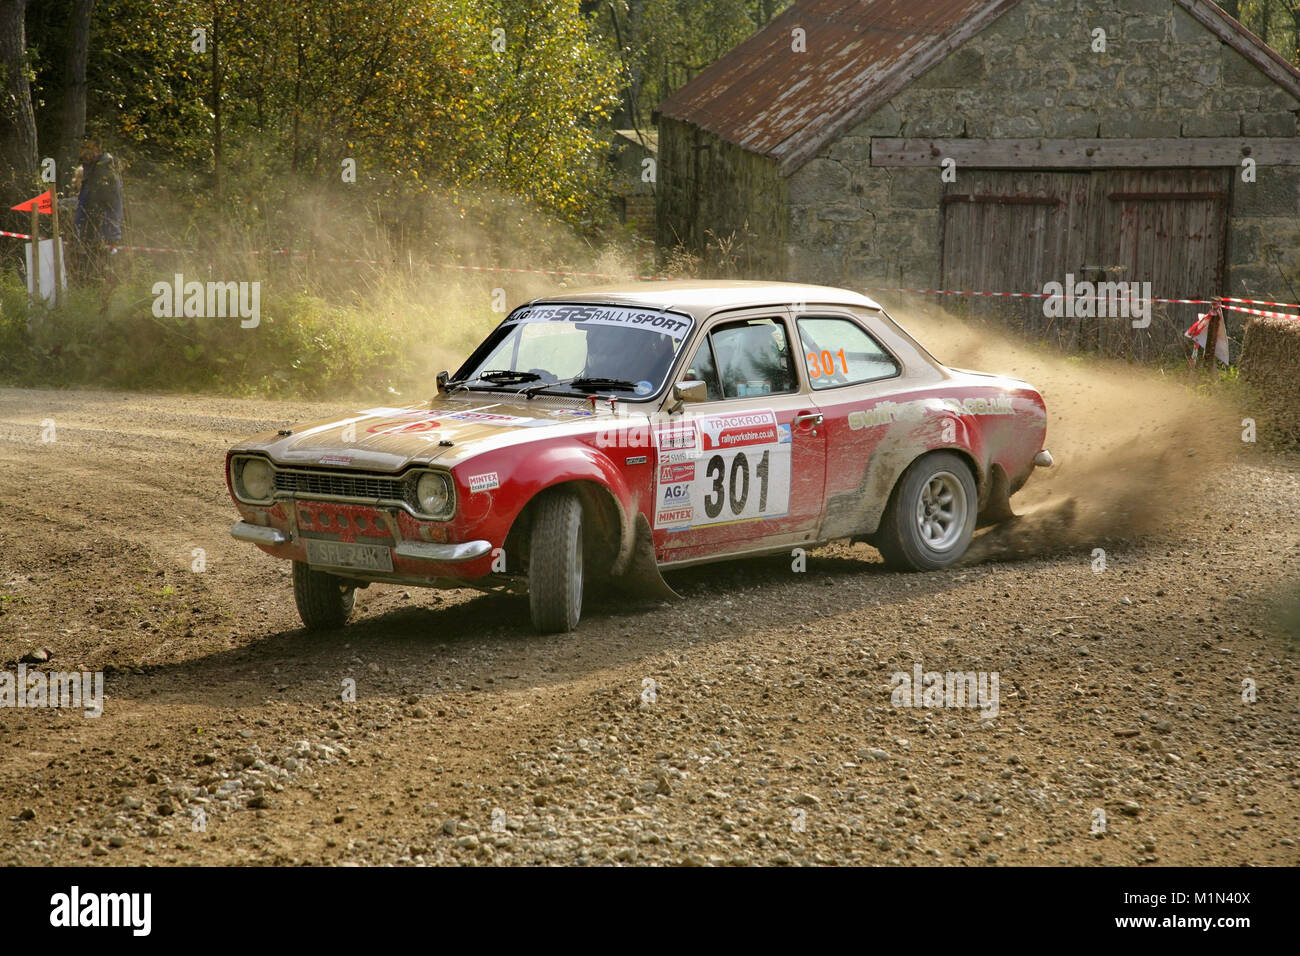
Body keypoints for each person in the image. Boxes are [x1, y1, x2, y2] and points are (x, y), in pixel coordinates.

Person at [73, 135, 123, 281]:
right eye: (83, 148)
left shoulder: (104, 168)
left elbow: (105, 201)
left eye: (88, 148)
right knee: (90, 272)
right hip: (93, 231)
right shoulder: (92, 167)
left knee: (101, 272)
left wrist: (98, 230)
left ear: (97, 149)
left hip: (100, 231)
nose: (84, 152)